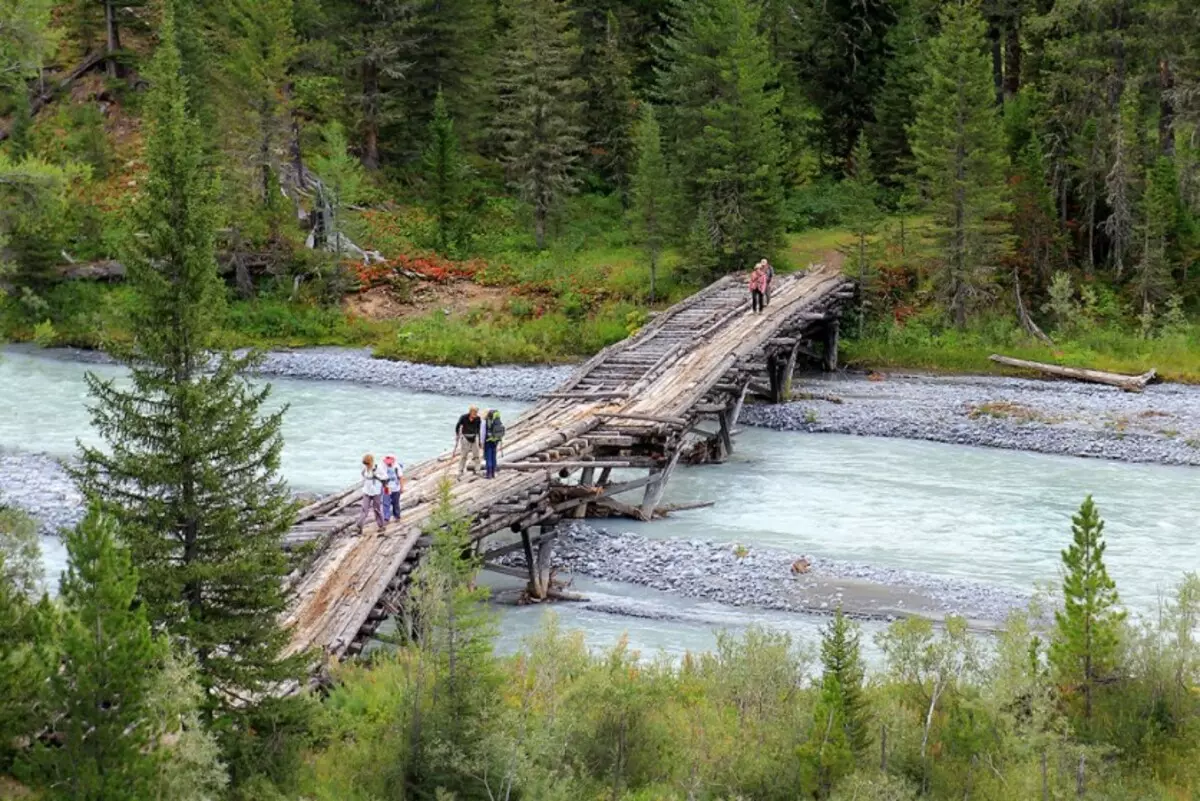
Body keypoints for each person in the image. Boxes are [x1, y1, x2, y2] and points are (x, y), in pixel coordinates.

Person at [357, 454, 386, 534]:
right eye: (365, 464)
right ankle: (359, 526)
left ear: (371, 462)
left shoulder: (378, 468)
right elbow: (363, 476)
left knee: (377, 509)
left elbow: (385, 477)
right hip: (367, 491)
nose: (366, 465)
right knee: (364, 509)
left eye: (367, 463)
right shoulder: (365, 469)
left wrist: (377, 476)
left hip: (376, 491)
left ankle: (381, 525)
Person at [454, 405, 483, 478]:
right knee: (464, 455)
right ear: (470, 411)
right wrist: (457, 435)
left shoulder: (478, 419)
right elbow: (458, 426)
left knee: (476, 455)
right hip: (465, 437)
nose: (476, 414)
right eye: (474, 412)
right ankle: (460, 470)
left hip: (474, 436)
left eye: (476, 412)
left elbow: (478, 430)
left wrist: (479, 441)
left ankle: (478, 470)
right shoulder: (463, 417)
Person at [382, 454, 405, 522]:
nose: (388, 463)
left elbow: (401, 478)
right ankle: (386, 517)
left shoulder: (397, 467)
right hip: (387, 488)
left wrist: (402, 487)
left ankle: (397, 516)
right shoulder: (384, 467)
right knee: (386, 503)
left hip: (396, 488)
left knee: (395, 503)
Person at [483, 409, 505, 479]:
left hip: (488, 440)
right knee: (493, 457)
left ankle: (488, 474)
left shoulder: (487, 421)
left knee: (488, 457)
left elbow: (483, 433)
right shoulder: (497, 420)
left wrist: (481, 442)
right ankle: (493, 473)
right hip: (496, 440)